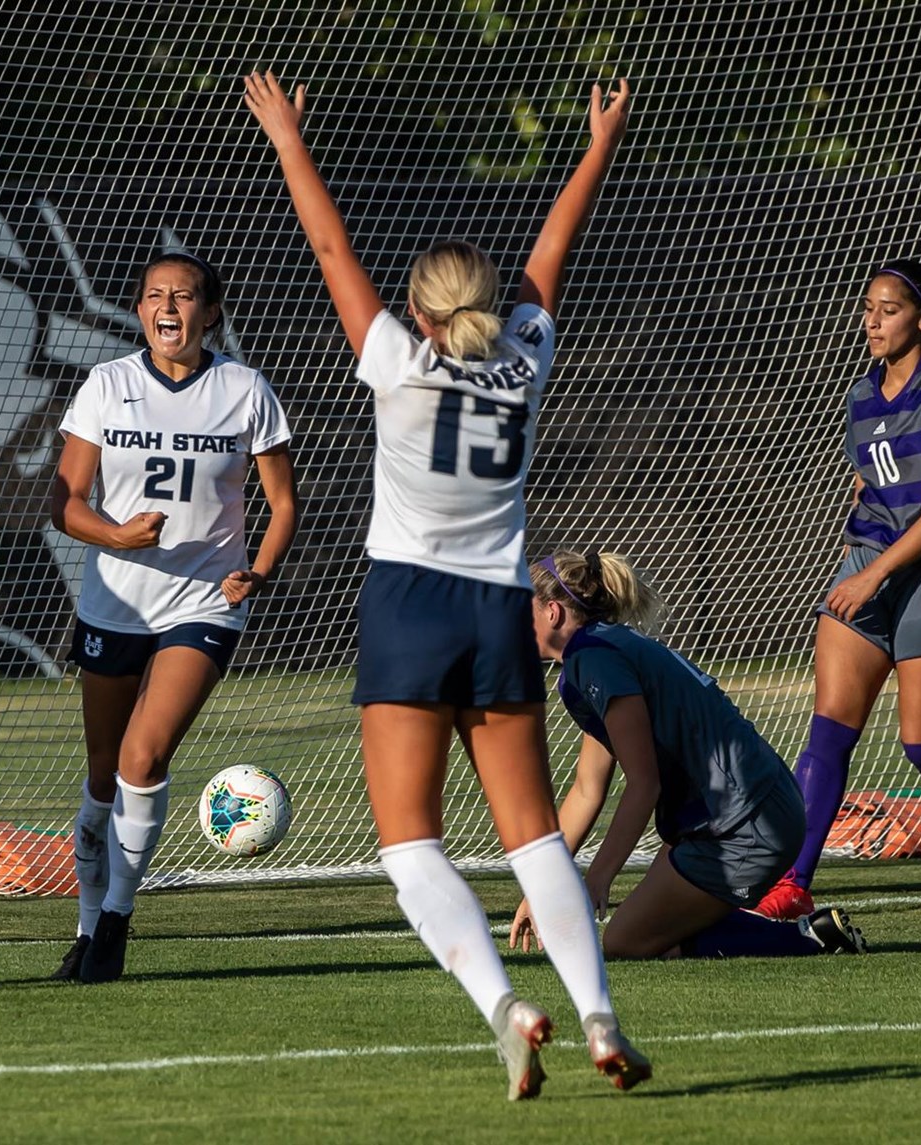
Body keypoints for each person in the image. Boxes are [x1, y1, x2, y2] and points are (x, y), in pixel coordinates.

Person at [246, 69, 648, 1100]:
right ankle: (598, 1010)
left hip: (410, 603)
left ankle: (506, 1010)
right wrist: (597, 143)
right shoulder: (524, 357)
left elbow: (331, 247)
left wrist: (291, 138)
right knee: (533, 836)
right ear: (488, 304)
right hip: (498, 606)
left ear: (423, 311)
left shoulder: (394, 357)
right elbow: (553, 254)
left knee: (412, 843)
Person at [47, 252, 299, 983]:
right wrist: (117, 536)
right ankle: (86, 927)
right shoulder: (108, 384)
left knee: (142, 757)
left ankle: (118, 923)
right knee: (101, 781)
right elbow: (64, 503)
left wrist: (259, 569)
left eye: (184, 297)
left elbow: (282, 504)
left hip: (203, 605)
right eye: (155, 296)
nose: (169, 308)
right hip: (115, 603)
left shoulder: (245, 390)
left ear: (210, 311)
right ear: (138, 311)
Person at [755, 259, 921, 922]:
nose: (872, 320)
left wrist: (873, 571)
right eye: (868, 307)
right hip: (869, 564)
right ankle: (794, 881)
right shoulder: (860, 393)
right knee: (828, 732)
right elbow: (868, 483)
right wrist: (851, 557)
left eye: (888, 309)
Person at [511, 551, 868, 962]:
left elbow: (644, 786)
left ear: (553, 612)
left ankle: (810, 939)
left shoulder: (595, 658)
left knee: (626, 942)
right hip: (741, 814)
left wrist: (596, 881)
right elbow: (587, 789)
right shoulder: (597, 653)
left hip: (746, 824)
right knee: (649, 929)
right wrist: (541, 884)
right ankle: (794, 931)